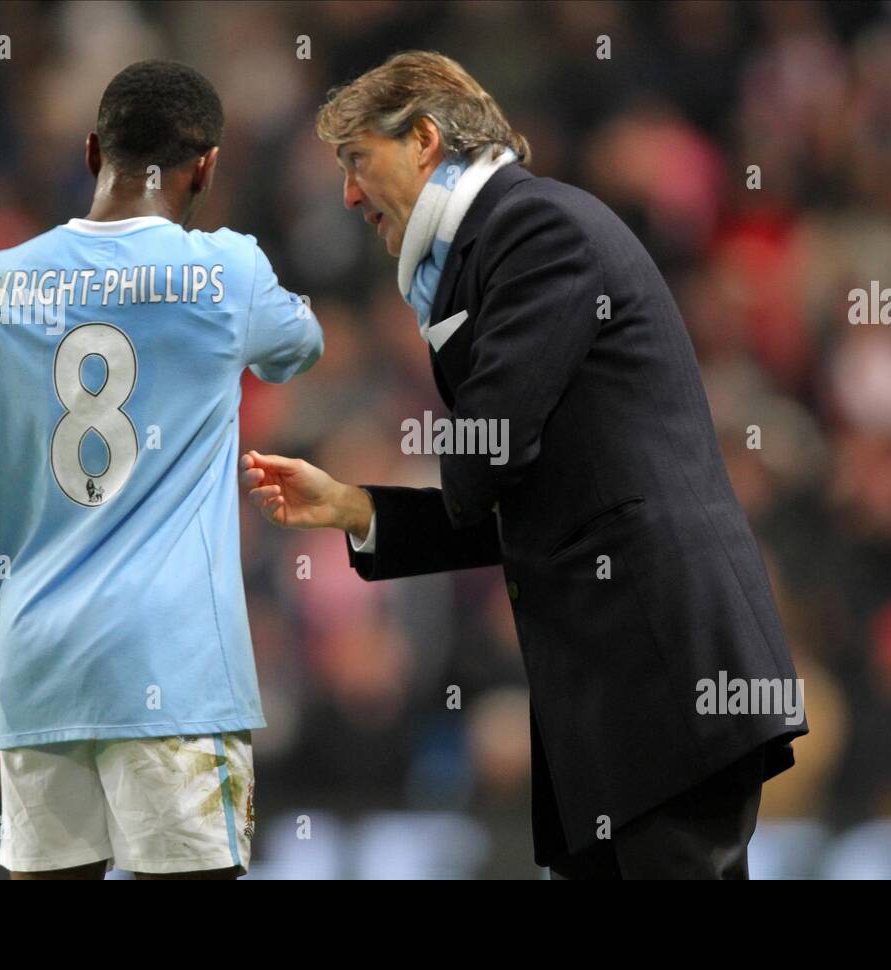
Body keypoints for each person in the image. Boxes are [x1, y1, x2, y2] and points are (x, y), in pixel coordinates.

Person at [241, 51, 807, 879]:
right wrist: (356, 507)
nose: (349, 195)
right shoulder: (492, 250)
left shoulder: (534, 231)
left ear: (426, 141)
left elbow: (487, 463)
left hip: (665, 676)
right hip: (618, 699)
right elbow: (524, 500)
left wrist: (437, 354)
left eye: (358, 160)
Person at [0, 60, 323, 879]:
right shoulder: (226, 272)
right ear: (208, 166)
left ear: (93, 151)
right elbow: (301, 346)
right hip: (176, 673)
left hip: (40, 671)